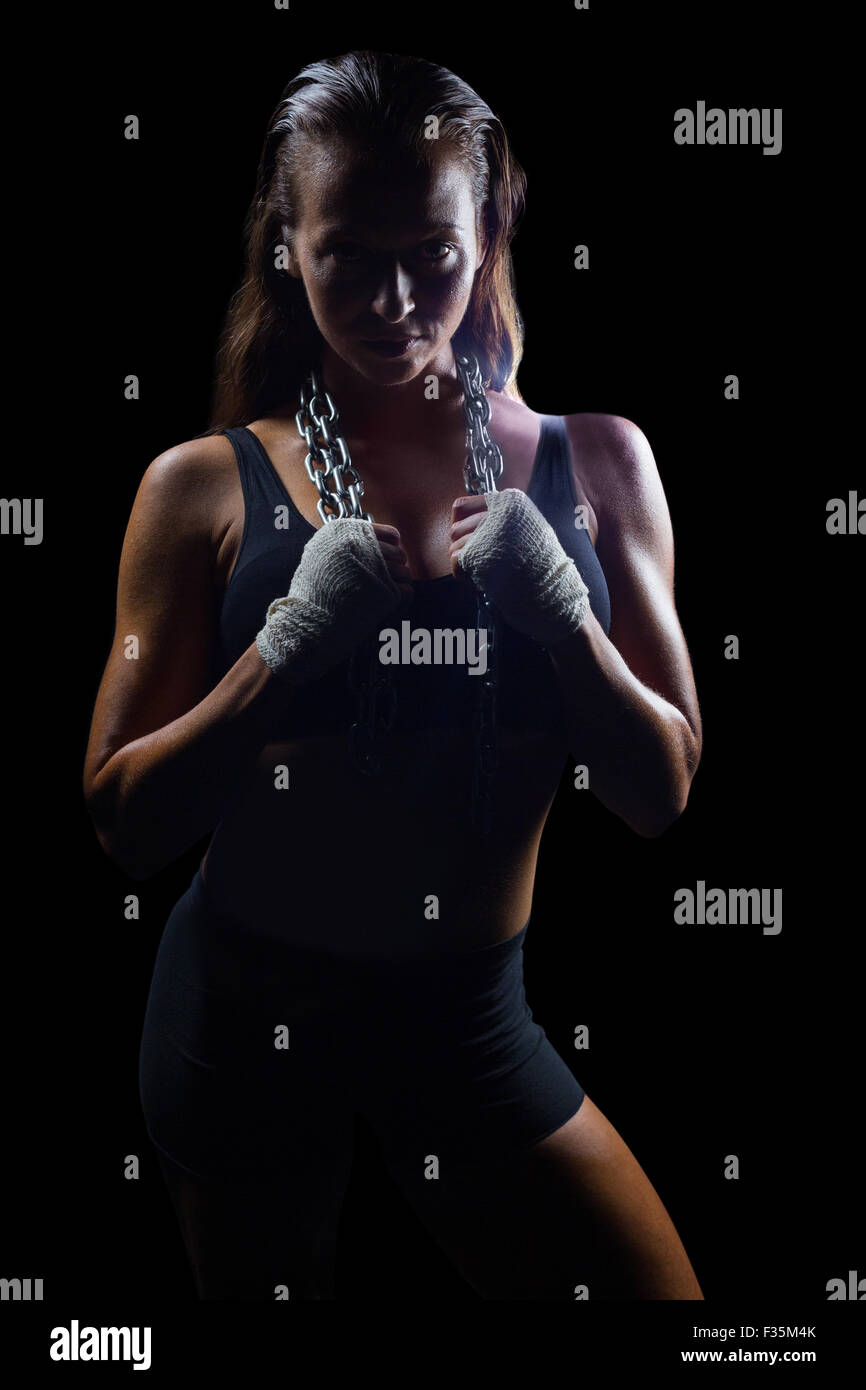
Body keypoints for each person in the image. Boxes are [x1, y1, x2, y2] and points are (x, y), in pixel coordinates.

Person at [82, 50, 704, 1300]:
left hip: (468, 1023)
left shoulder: (598, 466)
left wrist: (568, 624)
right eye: (347, 255)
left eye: (430, 250)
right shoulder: (198, 486)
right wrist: (284, 648)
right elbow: (123, 821)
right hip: (244, 1012)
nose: (393, 296)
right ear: (286, 247)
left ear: (489, 234)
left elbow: (659, 790)